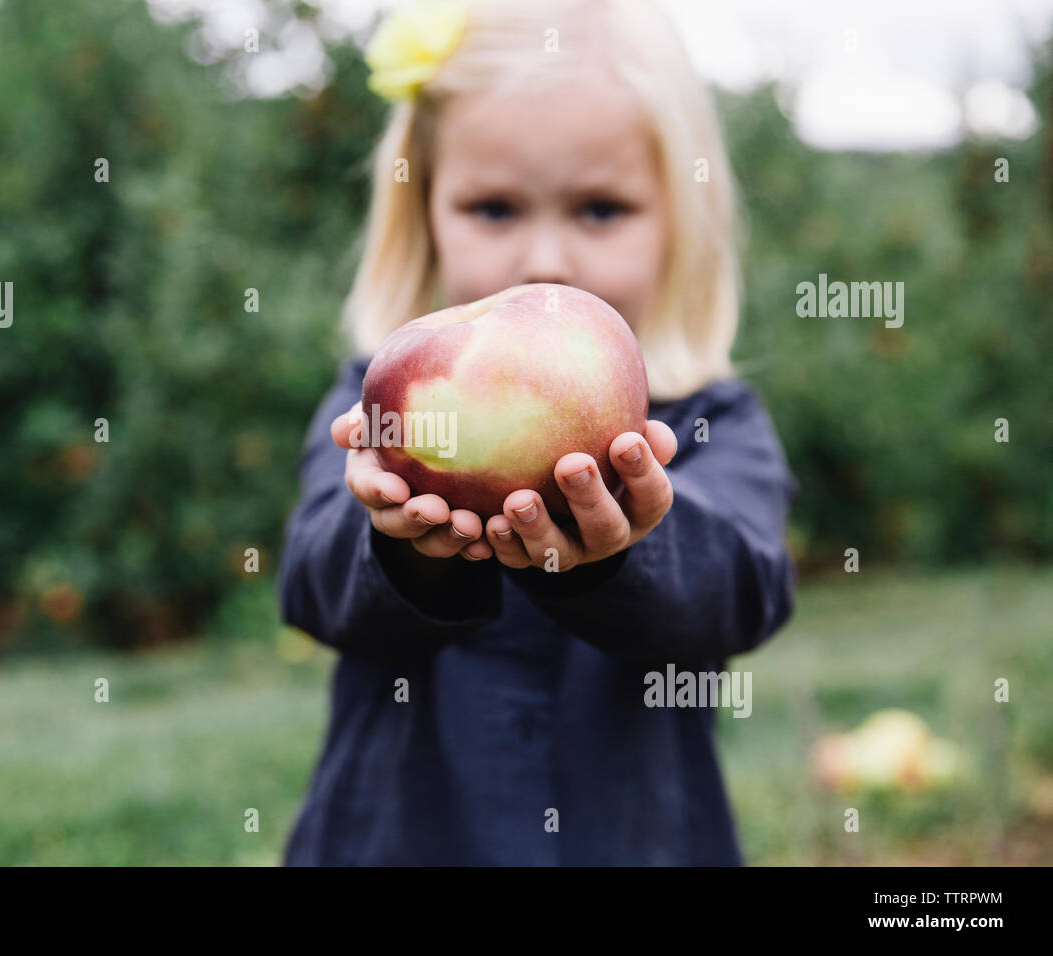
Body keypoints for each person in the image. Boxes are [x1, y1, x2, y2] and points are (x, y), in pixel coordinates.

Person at [277, 0, 798, 865]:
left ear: (680, 222)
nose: (544, 260)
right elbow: (310, 579)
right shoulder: (380, 413)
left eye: (600, 209)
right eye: (492, 209)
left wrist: (628, 548)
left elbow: (746, 590)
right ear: (424, 214)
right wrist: (402, 545)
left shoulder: (713, 422)